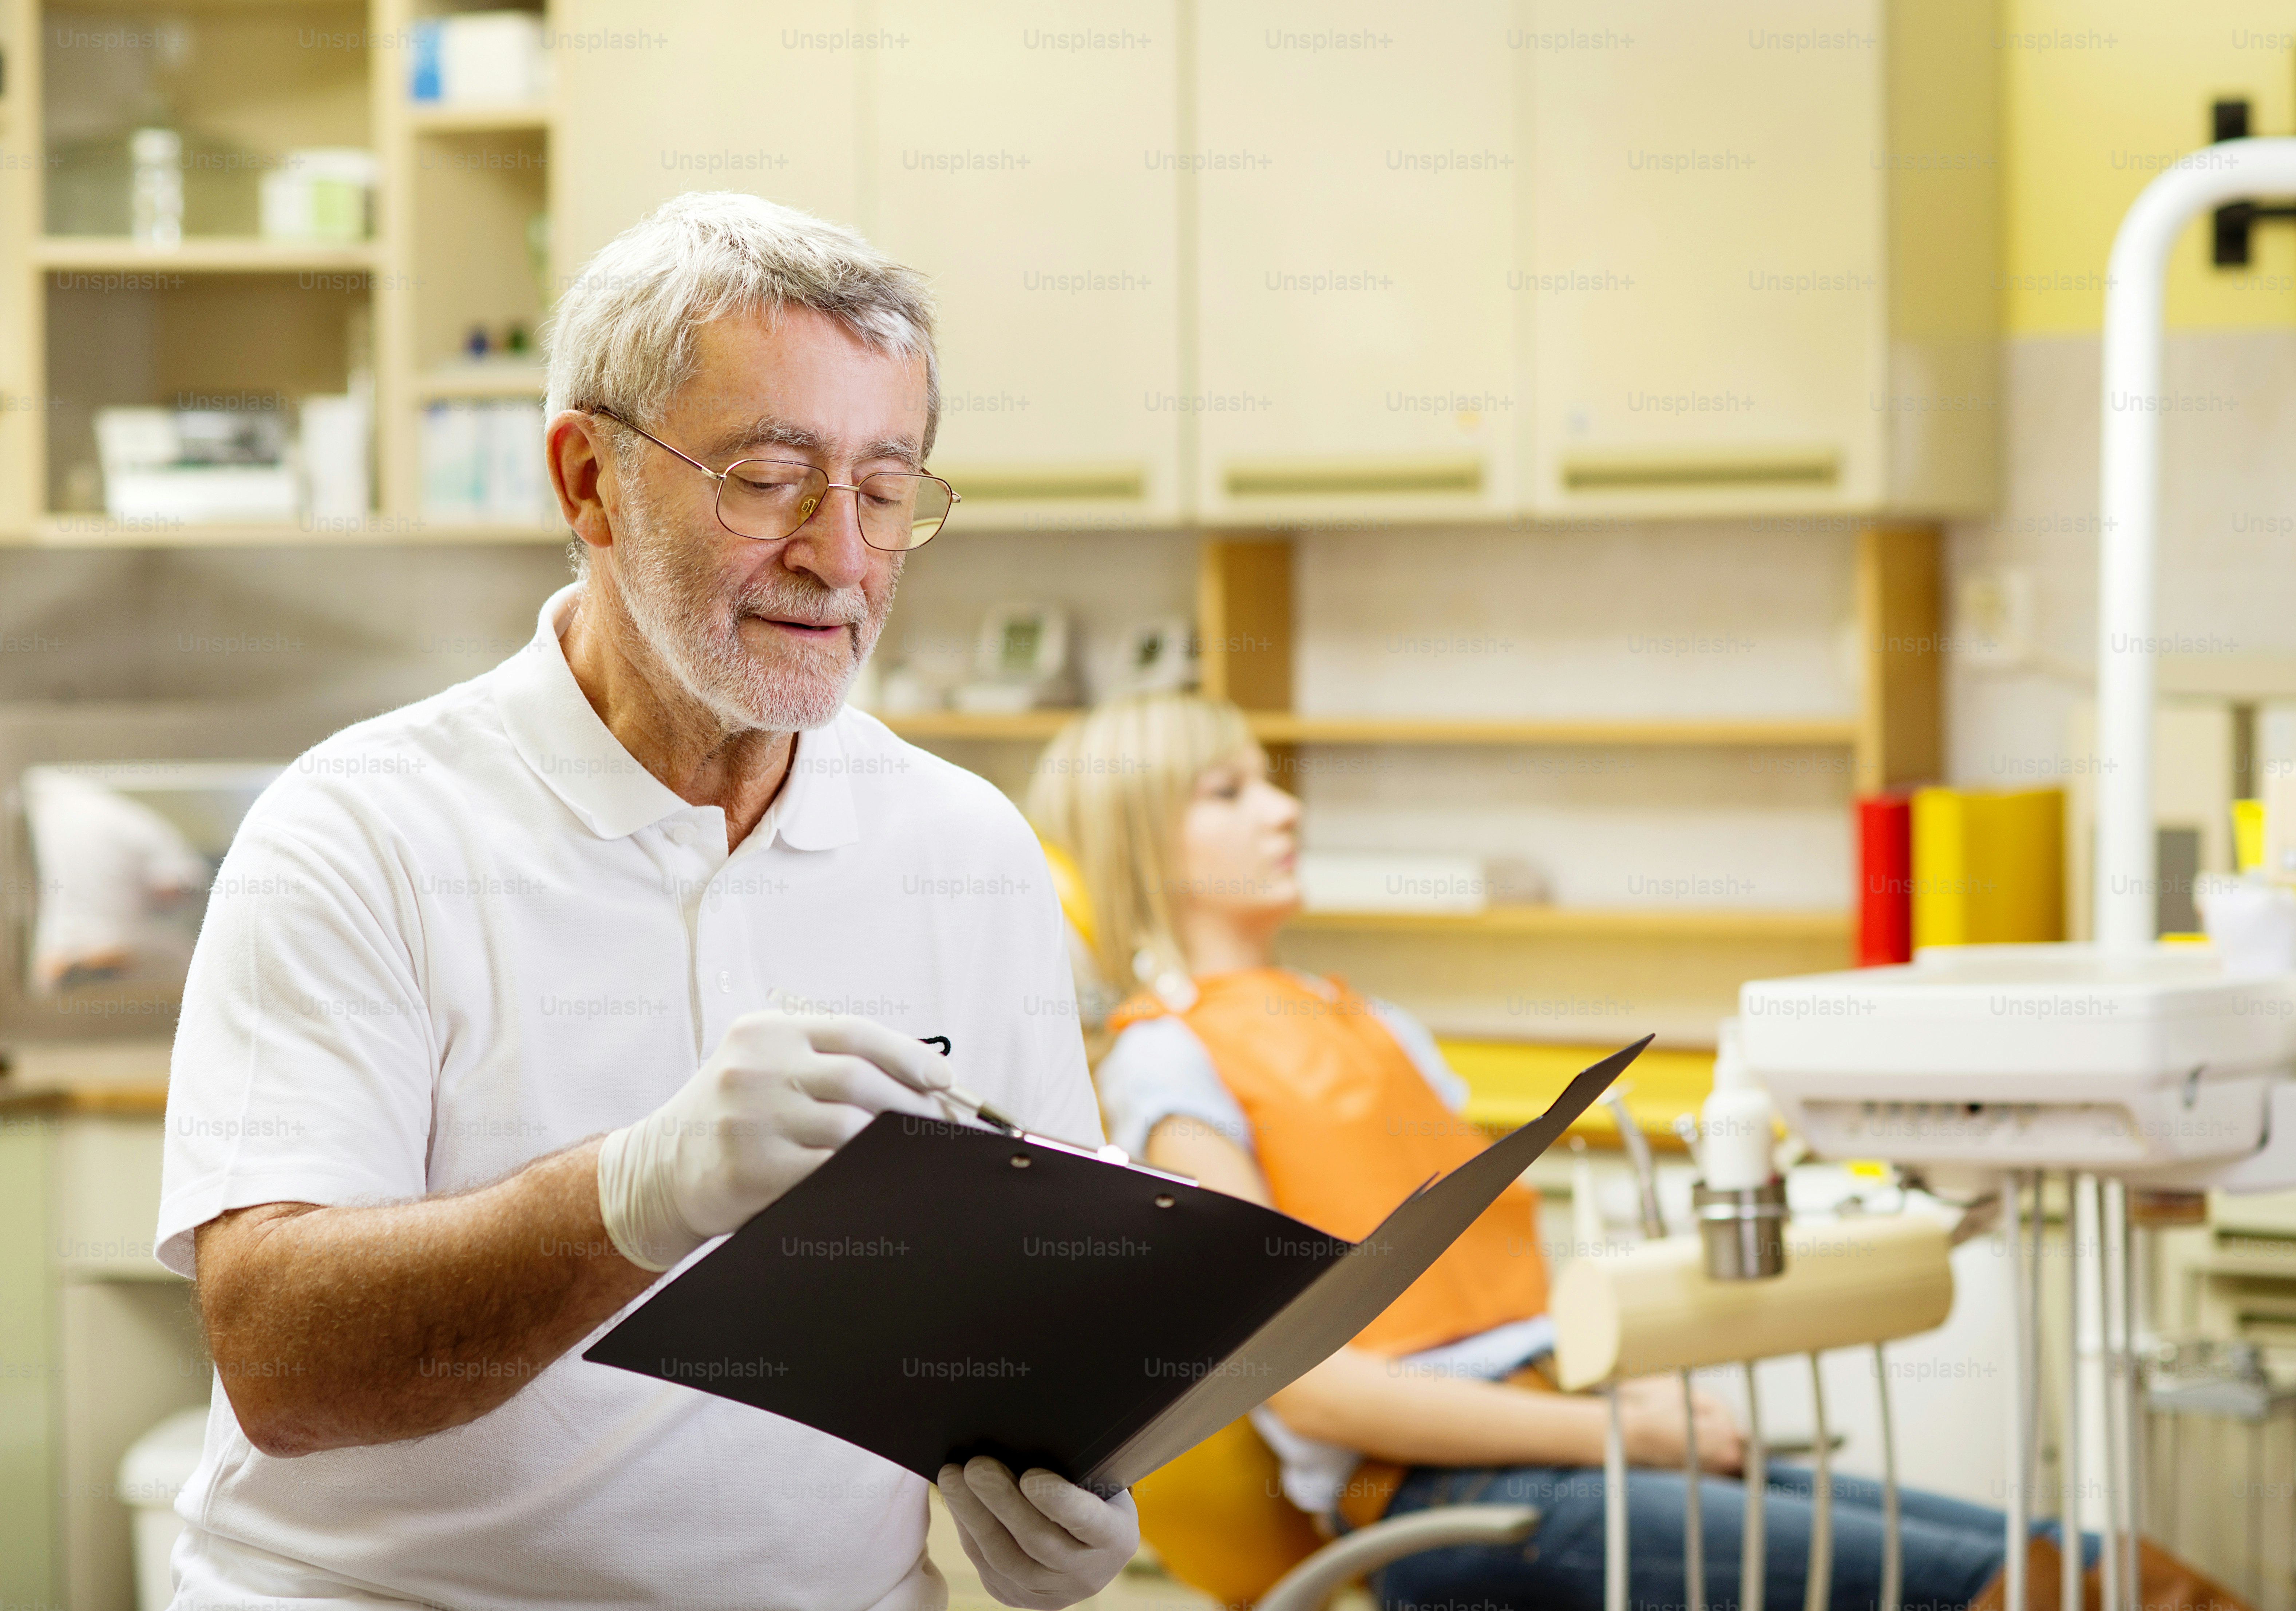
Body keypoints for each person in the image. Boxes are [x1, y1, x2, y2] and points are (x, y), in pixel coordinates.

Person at [156, 192, 1135, 1611]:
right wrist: (634, 1190)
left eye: (881, 486)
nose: (841, 556)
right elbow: (281, 1366)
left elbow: (1033, 1300)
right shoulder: (359, 829)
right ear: (587, 479)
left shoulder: (965, 850)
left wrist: (1066, 1478)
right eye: (766, 475)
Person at [1026, 691, 2101, 1611]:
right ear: (1138, 840)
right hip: (1444, 1503)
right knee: (2006, 1581)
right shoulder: (1168, 1068)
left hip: (1556, 1436)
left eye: (1268, 779)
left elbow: (1489, 1304)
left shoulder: (1370, 1020)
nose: (1285, 806)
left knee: (2051, 1552)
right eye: (1228, 792)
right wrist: (1623, 1438)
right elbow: (1309, 1392)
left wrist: (1632, 1413)